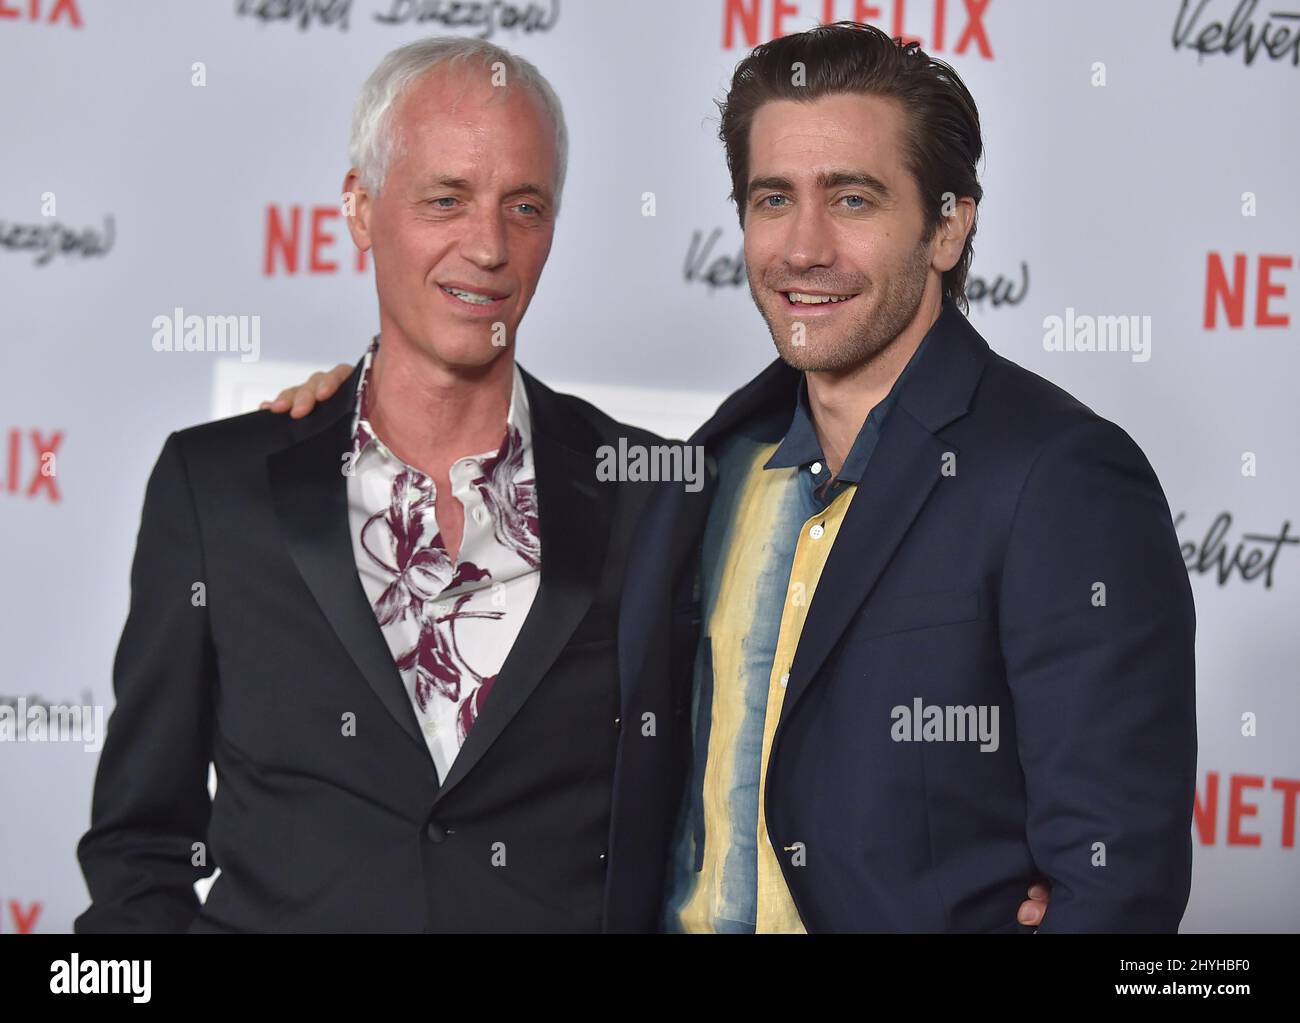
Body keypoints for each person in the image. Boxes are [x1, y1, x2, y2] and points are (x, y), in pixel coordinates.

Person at [256, 29, 1100, 932]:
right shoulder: (696, 480)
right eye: (774, 199)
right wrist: (358, 409)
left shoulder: (1058, 475)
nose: (804, 247)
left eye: (853, 199)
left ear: (948, 226)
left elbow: (1113, 867)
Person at [75, 37, 666, 933]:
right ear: (359, 207)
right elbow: (140, 845)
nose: (489, 246)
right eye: (446, 199)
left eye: (525, 206)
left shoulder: (647, 493)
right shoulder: (217, 489)